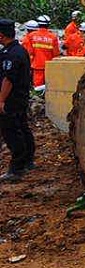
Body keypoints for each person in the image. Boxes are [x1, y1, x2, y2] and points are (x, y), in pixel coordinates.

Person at [0, 18, 35, 183]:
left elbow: (8, 80)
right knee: (23, 128)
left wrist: (1, 101)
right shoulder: (20, 50)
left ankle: (16, 168)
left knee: (12, 132)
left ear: (1, 36)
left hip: (11, 99)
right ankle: (28, 161)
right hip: (21, 97)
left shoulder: (11, 54)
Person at [21, 15, 59, 89]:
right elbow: (56, 54)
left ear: (38, 24)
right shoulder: (53, 37)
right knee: (50, 86)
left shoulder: (31, 36)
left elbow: (29, 52)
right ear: (48, 25)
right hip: (50, 66)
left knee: (38, 87)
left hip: (37, 65)